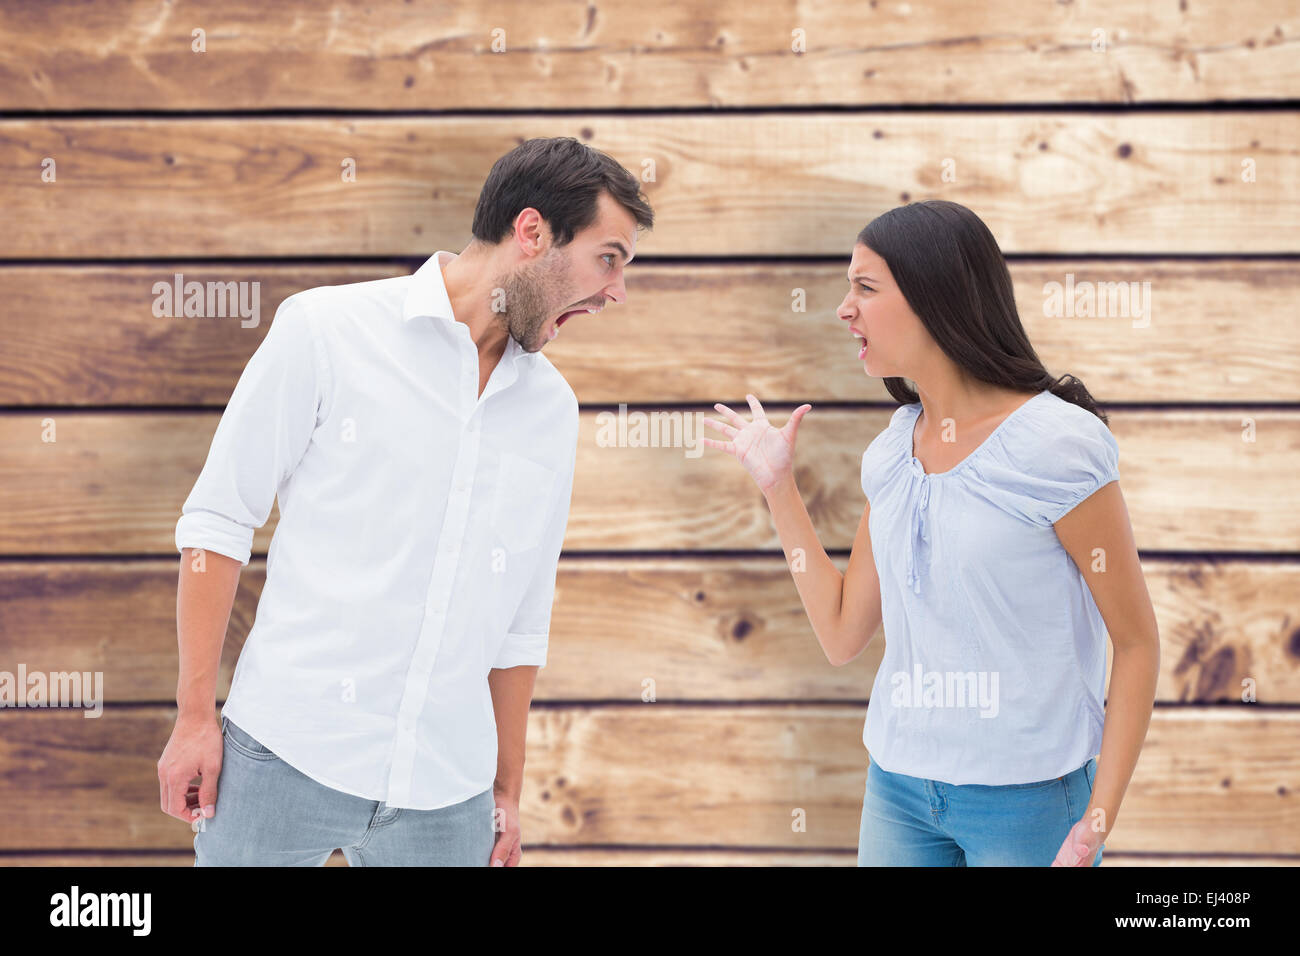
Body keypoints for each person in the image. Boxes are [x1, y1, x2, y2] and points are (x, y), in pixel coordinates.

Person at [158, 137, 654, 866]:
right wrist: (194, 717)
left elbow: (521, 618)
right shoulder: (327, 330)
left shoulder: (551, 410)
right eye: (608, 258)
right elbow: (219, 522)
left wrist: (506, 790)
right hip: (281, 757)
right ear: (531, 231)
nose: (617, 291)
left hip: (446, 799)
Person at [703, 200, 1159, 866]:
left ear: (933, 297)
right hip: (899, 794)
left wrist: (1098, 818)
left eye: (865, 287)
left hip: (1029, 800)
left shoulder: (1057, 446)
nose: (843, 309)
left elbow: (1138, 641)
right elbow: (841, 634)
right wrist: (778, 488)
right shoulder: (894, 450)